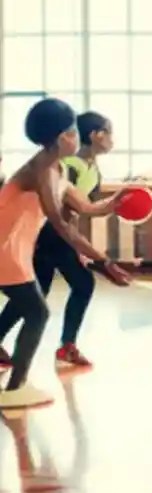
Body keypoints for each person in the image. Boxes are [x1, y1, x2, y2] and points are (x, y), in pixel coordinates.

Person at [0, 99, 131, 409]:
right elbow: (61, 225)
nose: (77, 136)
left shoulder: (56, 168)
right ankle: (15, 388)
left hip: (14, 249)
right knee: (37, 312)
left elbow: (86, 207)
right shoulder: (42, 170)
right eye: (74, 131)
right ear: (63, 137)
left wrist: (113, 204)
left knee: (32, 308)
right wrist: (103, 261)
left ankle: (16, 384)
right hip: (4, 249)